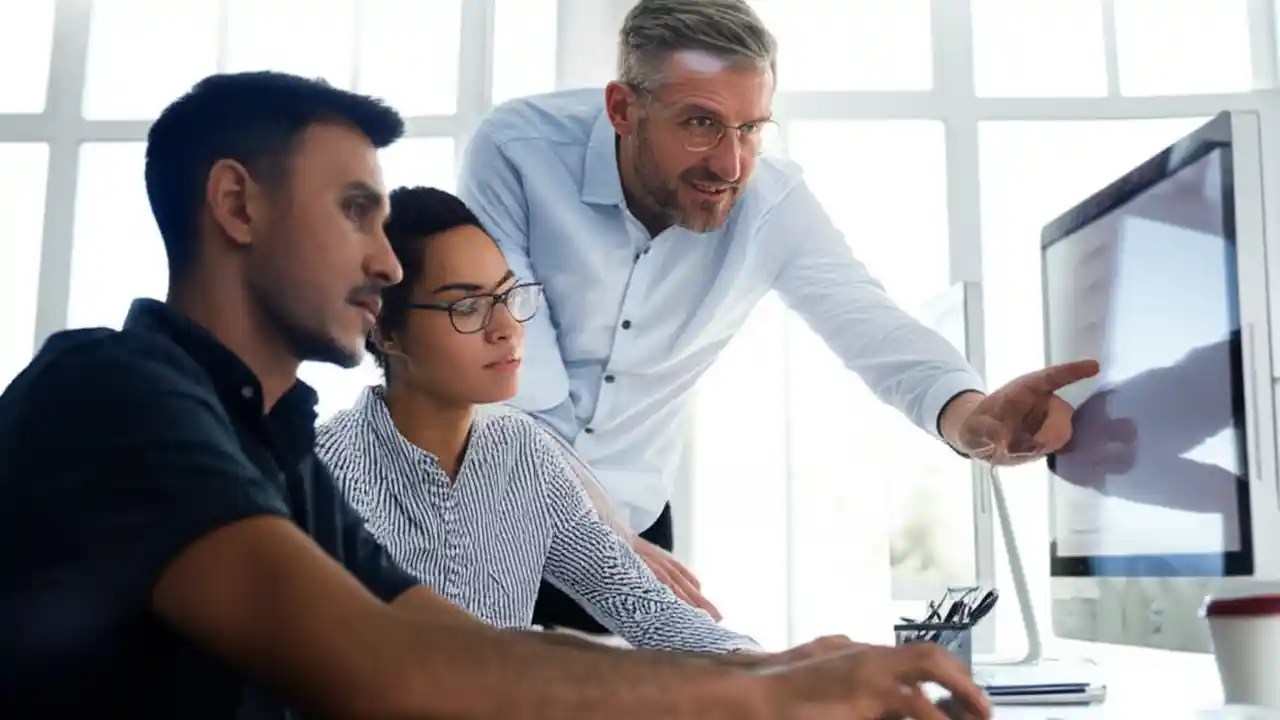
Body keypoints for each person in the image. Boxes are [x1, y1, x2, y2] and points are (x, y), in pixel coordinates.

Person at [0, 70, 991, 720]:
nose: (385, 261)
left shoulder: (271, 448)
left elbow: (452, 639)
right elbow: (385, 671)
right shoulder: (112, 392)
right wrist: (765, 698)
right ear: (236, 204)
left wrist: (773, 668)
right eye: (355, 212)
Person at [456, 0, 1100, 633]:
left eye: (751, 129)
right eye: (701, 124)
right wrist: (597, 531)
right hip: (489, 509)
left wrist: (969, 418)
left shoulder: (771, 203)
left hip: (635, 522)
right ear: (623, 109)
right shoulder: (518, 150)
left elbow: (870, 323)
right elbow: (513, 381)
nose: (730, 165)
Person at [315, 185, 758, 653]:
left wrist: (764, 666)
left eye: (508, 295)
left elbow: (640, 605)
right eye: (467, 307)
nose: (506, 328)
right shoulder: (326, 474)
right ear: (385, 331)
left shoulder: (523, 451)